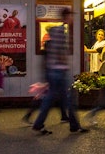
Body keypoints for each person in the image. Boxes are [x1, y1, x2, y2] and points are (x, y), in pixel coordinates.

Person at [32, 8, 88, 136]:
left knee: (55, 98)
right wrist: (65, 63)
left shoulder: (56, 31)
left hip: (53, 70)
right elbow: (60, 52)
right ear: (66, 16)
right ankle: (73, 125)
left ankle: (71, 125)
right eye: (71, 16)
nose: (72, 19)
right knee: (68, 99)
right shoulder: (61, 32)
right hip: (59, 71)